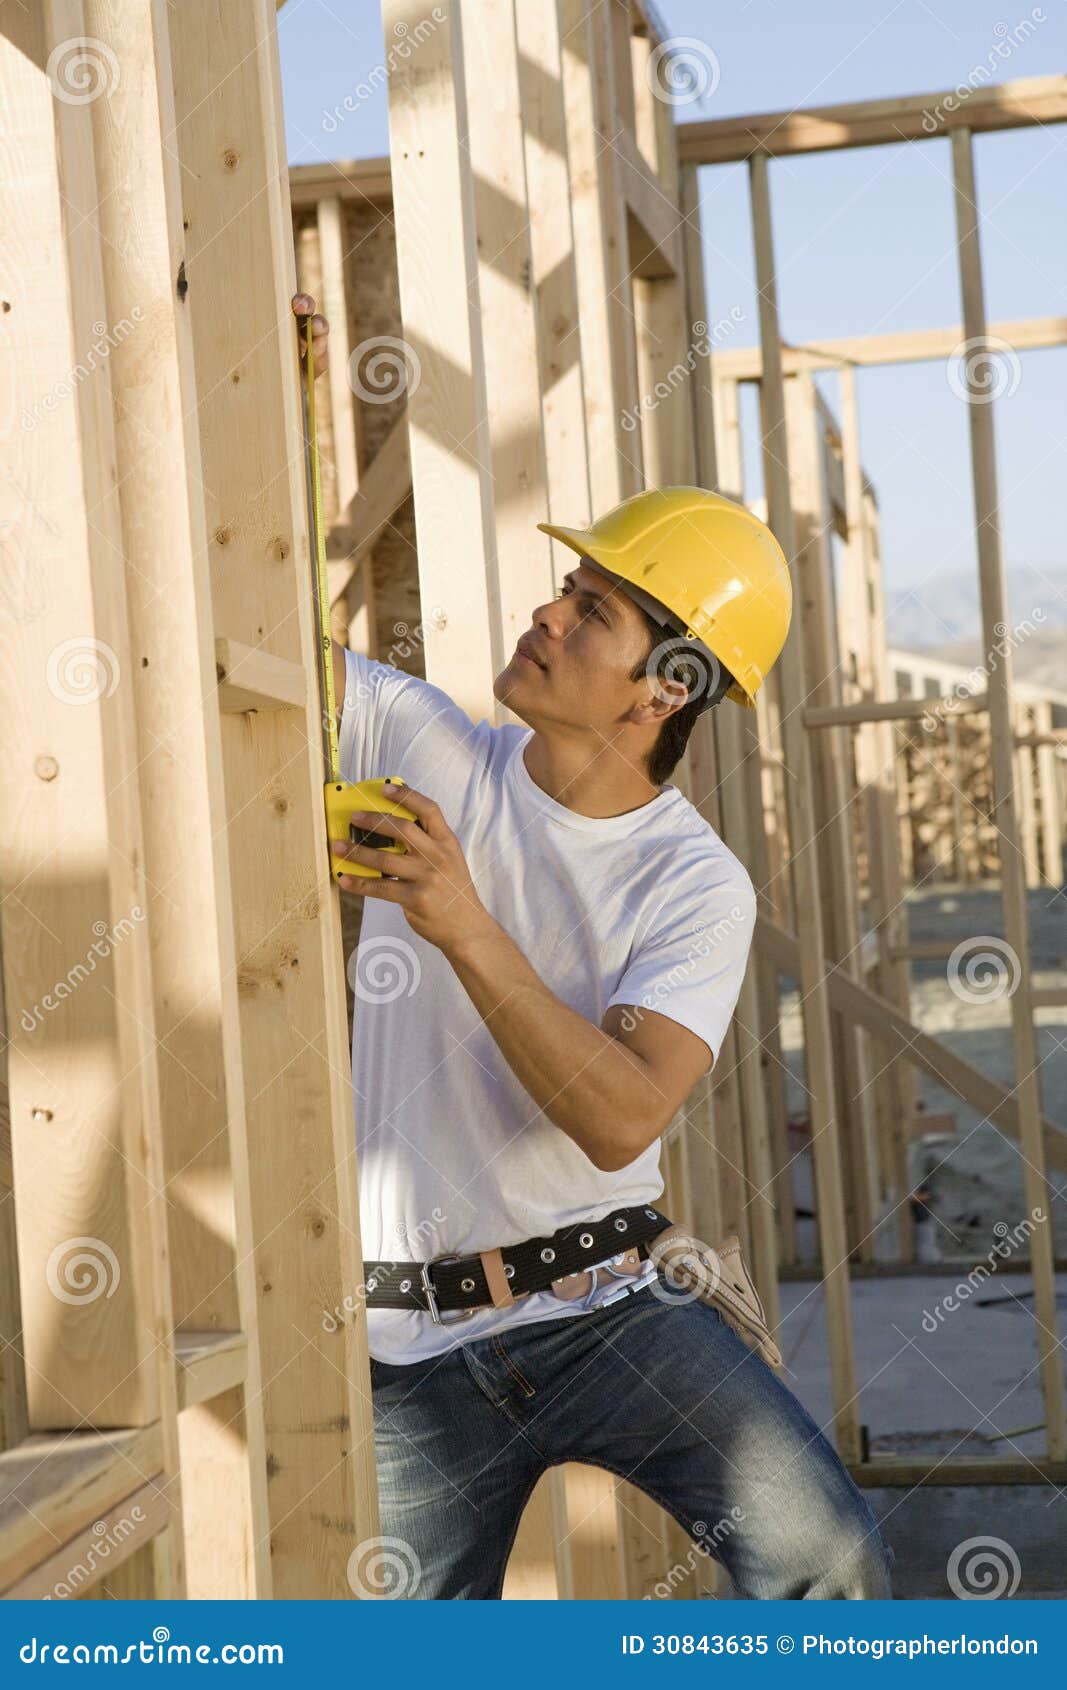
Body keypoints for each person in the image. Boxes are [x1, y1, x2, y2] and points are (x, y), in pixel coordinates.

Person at [293, 294, 893, 1601]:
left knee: (833, 1573)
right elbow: (271, 641)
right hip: (407, 1340)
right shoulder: (429, 749)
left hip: (607, 1307)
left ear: (665, 686)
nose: (548, 615)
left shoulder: (695, 884)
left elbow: (623, 1116)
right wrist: (279, 414)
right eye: (567, 588)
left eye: (595, 611)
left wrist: (460, 921)